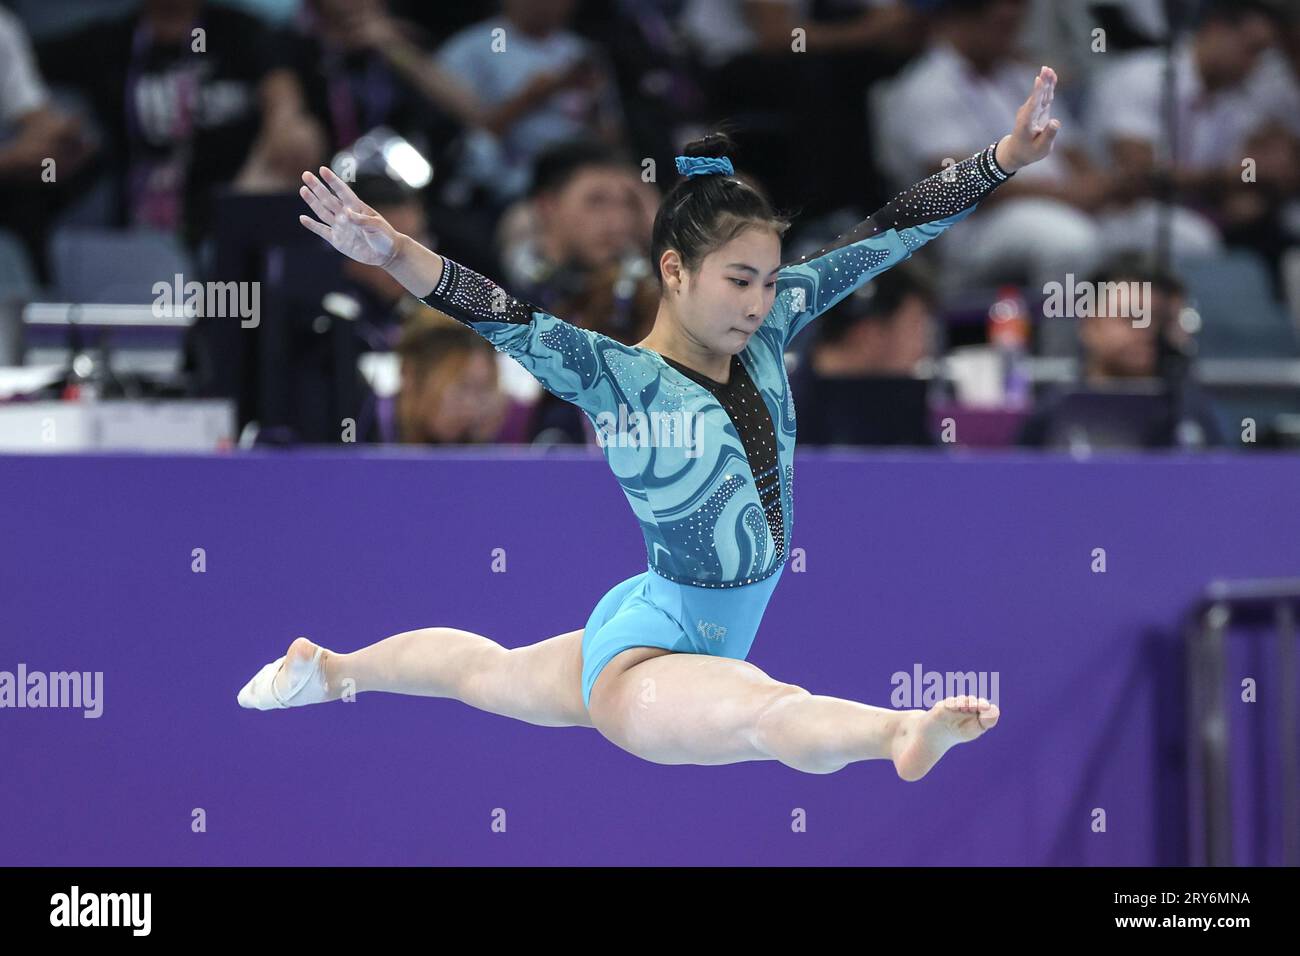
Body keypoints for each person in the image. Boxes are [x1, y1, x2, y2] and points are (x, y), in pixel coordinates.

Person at [237, 68, 1064, 780]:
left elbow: (889, 231)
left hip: (648, 607)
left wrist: (1004, 159)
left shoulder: (775, 326)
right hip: (647, 663)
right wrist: (392, 251)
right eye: (739, 280)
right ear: (674, 270)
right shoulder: (619, 380)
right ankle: (898, 731)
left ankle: (331, 668)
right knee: (769, 715)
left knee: (484, 673)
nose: (758, 302)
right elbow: (500, 313)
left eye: (770, 281)